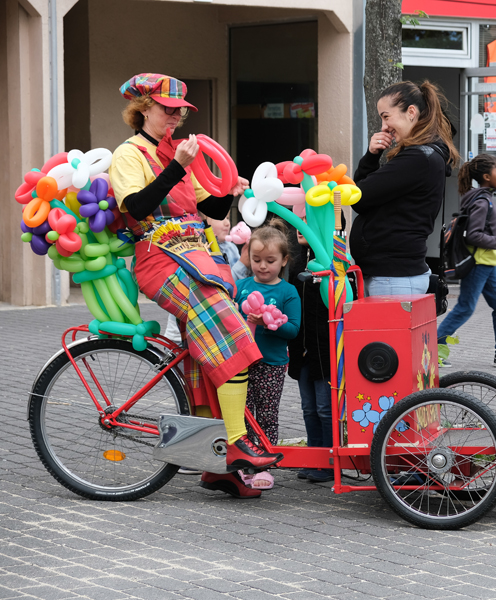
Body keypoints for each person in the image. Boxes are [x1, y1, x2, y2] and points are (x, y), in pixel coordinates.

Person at [109, 73, 282, 500]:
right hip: (158, 260)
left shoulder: (179, 154)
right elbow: (136, 208)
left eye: (180, 109)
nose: (175, 115)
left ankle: (216, 462)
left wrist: (230, 189)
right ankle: (238, 442)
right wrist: (177, 167)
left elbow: (210, 206)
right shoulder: (128, 154)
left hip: (197, 258)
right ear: (144, 107)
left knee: (207, 355)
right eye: (168, 108)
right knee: (228, 328)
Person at [352, 81, 458, 295]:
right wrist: (372, 156)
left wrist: (371, 158)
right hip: (393, 274)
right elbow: (364, 200)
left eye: (386, 116)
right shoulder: (422, 156)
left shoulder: (418, 158)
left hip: (393, 277)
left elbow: (359, 197)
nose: (383, 126)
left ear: (411, 112)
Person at [234, 222, 302, 490]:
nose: (262, 266)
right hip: (240, 361)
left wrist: (267, 323)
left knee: (266, 414)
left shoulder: (288, 291)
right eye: (257, 259)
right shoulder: (239, 286)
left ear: (284, 260)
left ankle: (264, 462)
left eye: (270, 261)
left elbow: (293, 330)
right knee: (239, 413)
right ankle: (241, 461)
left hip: (271, 364)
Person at [437, 154, 496, 367]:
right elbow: (473, 235)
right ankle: (433, 349)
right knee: (466, 307)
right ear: (487, 176)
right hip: (479, 263)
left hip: (487, 263)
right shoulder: (482, 202)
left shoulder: (482, 198)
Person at [288, 224, 335, 484]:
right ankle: (313, 457)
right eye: (298, 217)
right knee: (308, 408)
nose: (300, 224)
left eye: (307, 217)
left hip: (324, 349)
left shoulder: (333, 262)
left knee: (325, 408)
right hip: (302, 348)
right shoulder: (296, 264)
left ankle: (328, 461)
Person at [164, 215, 249, 343]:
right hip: (183, 332)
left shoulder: (231, 247)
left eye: (228, 218)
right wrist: (241, 264)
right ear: (205, 221)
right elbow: (217, 282)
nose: (227, 223)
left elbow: (234, 284)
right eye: (221, 218)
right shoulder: (197, 246)